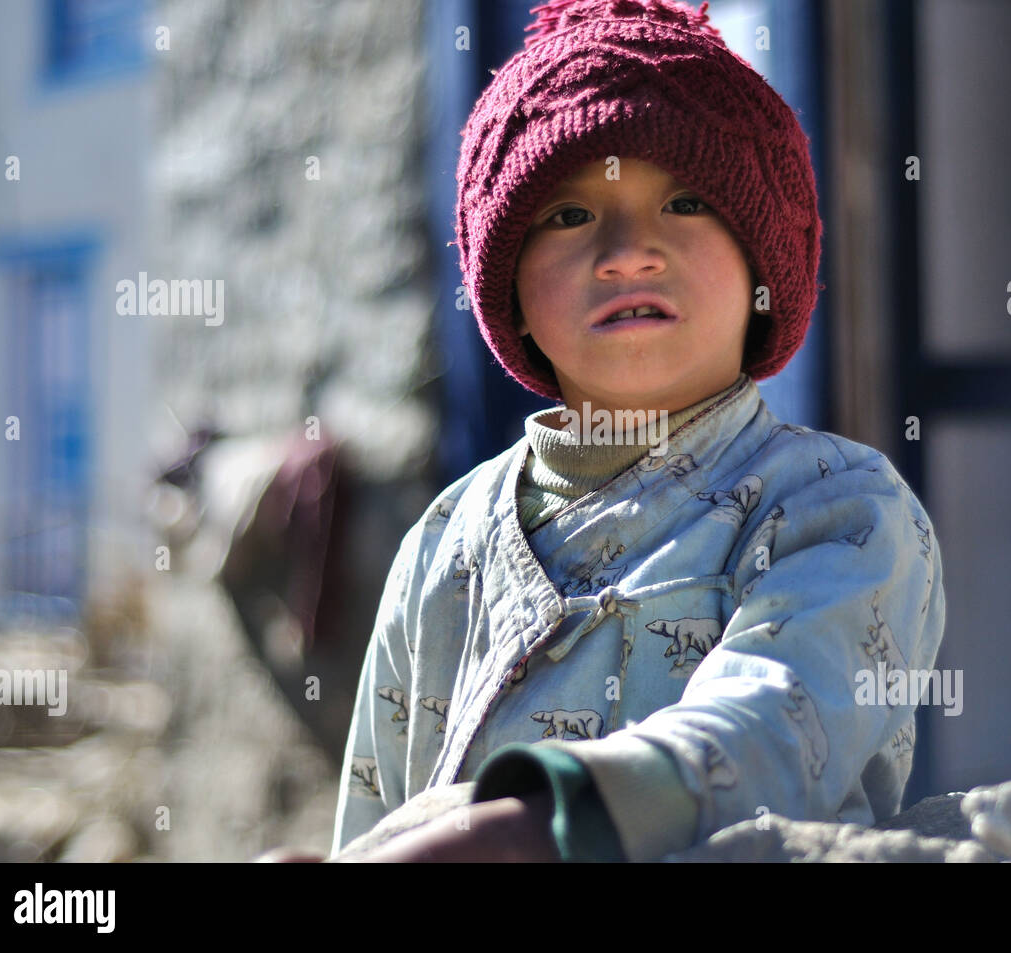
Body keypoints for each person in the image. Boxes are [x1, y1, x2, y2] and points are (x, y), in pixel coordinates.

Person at [329, 0, 946, 863]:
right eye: (570, 216)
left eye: (686, 202)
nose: (628, 252)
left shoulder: (840, 508)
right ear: (509, 292)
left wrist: (538, 821)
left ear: (766, 265)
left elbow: (772, 726)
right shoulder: (443, 544)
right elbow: (377, 811)